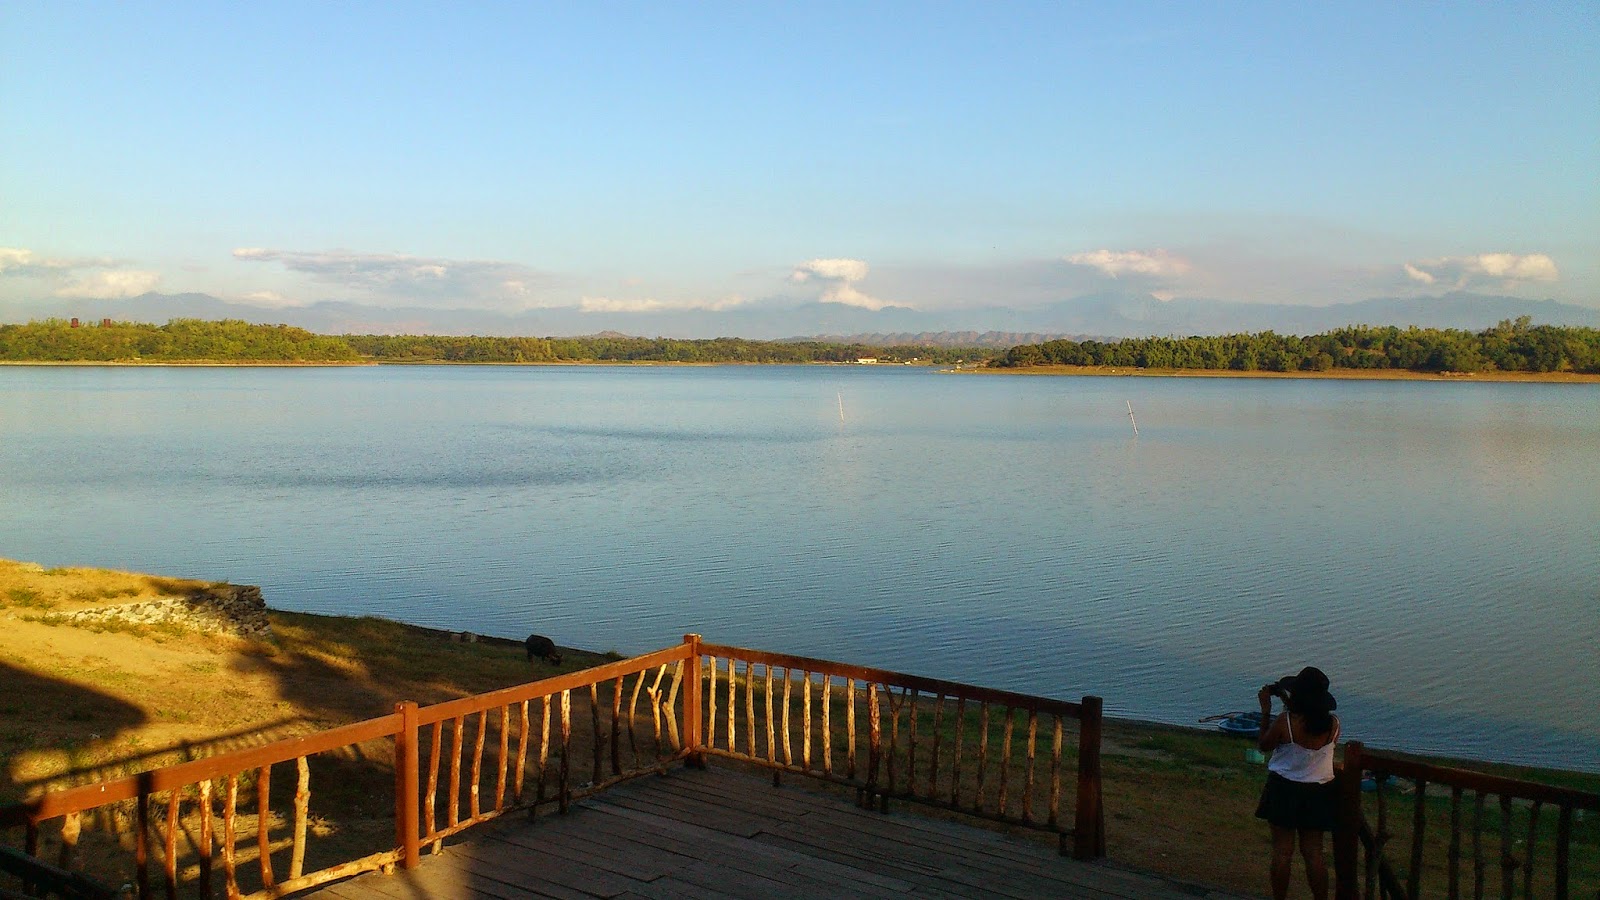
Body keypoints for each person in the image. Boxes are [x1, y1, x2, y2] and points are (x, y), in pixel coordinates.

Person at [1255, 666, 1340, 900]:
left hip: (1283, 789)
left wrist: (1265, 712)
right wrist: (1287, 702)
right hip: (1318, 793)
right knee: (1314, 853)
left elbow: (1264, 745)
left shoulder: (1286, 722)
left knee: (1282, 852)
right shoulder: (1333, 725)